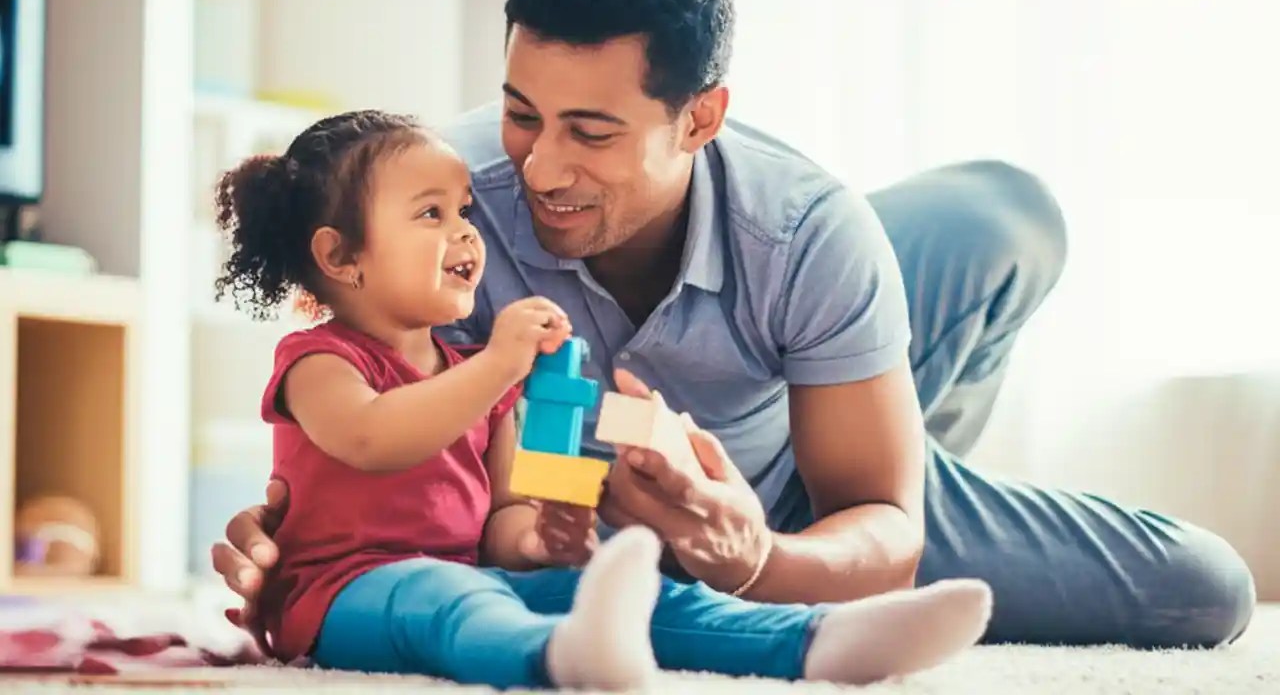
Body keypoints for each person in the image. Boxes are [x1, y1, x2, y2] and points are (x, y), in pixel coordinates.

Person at [213, 0, 1256, 649]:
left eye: (591, 131)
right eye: (521, 114)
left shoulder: (807, 232)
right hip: (578, 531)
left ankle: (881, 415)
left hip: (793, 503)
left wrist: (757, 562)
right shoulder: (444, 201)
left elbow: (885, 534)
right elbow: (348, 406)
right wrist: (293, 527)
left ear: (702, 116)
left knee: (1204, 588)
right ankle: (861, 397)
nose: (538, 167)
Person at [210, 108, 994, 689]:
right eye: (431, 214)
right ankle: (554, 661)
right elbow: (374, 439)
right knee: (443, 598)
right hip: (338, 592)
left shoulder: (474, 370)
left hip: (472, 573)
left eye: (465, 212)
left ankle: (819, 642)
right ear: (339, 257)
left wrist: (546, 538)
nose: (467, 233)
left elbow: (501, 519)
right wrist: (498, 366)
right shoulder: (318, 362)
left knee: (617, 587)